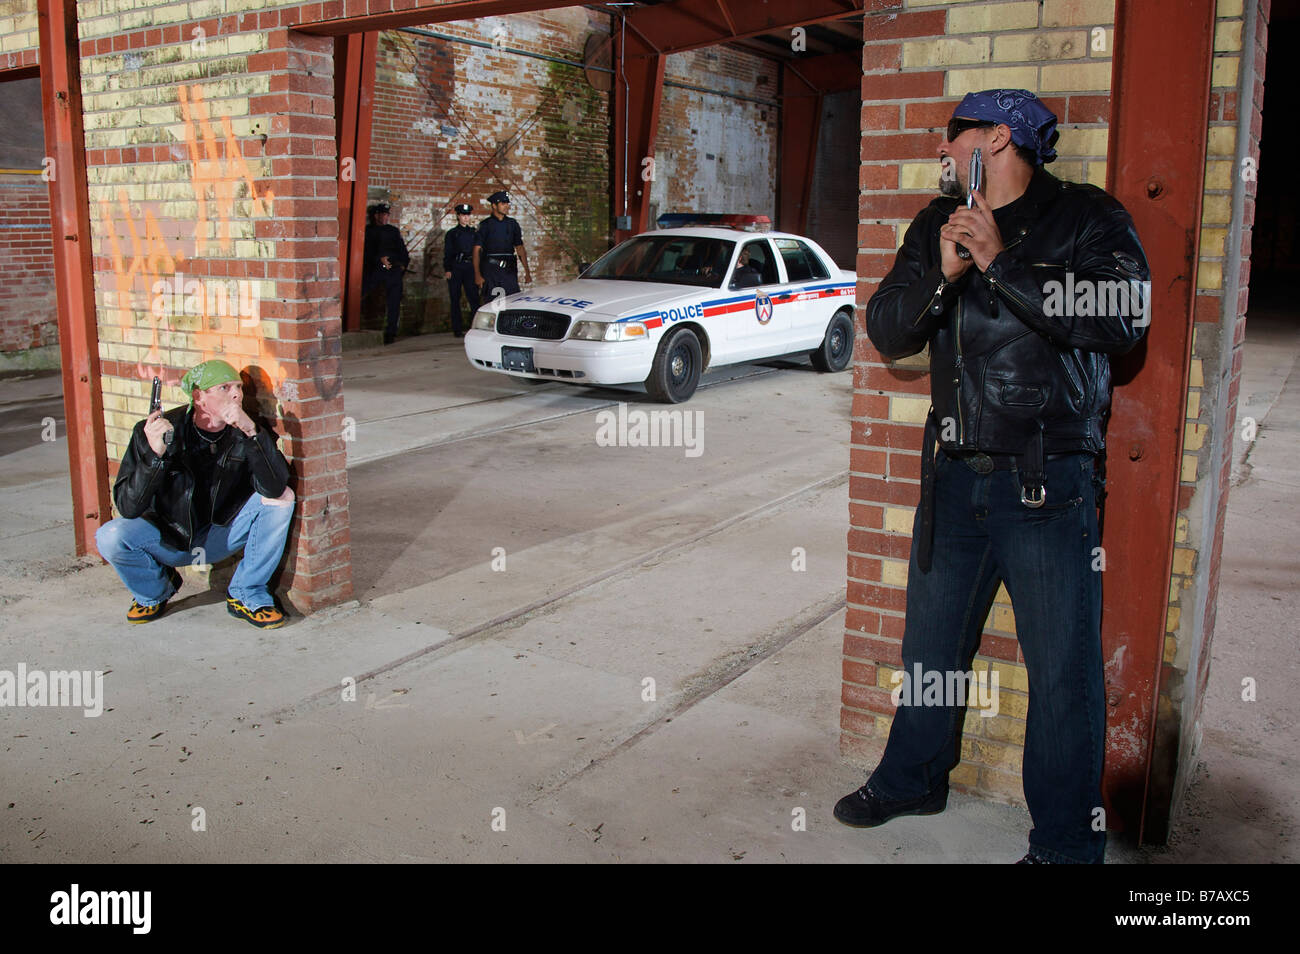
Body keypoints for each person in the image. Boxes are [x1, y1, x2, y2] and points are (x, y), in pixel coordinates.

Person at [835, 89, 1150, 864]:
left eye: (954, 138)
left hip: (1046, 485)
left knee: (1063, 671)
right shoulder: (931, 226)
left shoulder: (1087, 216)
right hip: (953, 478)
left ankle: (1067, 844)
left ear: (997, 139)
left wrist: (1001, 263)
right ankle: (914, 777)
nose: (941, 153)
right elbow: (885, 330)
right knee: (930, 650)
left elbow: (1124, 318)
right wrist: (943, 272)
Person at [96, 360, 295, 629]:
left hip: (220, 535)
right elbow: (128, 507)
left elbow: (274, 487)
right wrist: (155, 456)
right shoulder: (158, 431)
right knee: (109, 536)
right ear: (199, 396)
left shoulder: (248, 430)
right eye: (224, 387)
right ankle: (153, 592)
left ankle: (247, 592)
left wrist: (251, 433)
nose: (236, 394)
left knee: (282, 498)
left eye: (238, 387)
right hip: (168, 539)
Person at [362, 202, 410, 344]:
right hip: (375, 270)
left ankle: (391, 333)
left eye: (386, 214)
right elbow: (365, 253)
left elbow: (403, 253)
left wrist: (401, 266)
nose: (384, 217)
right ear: (375, 215)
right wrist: (380, 260)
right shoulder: (368, 231)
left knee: (394, 301)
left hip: (393, 271)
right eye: (381, 214)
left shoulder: (393, 231)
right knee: (363, 294)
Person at [473, 190, 532, 301]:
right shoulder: (485, 225)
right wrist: (477, 274)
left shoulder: (512, 224)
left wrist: (527, 272)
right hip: (491, 271)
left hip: (509, 270)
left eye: (507, 203)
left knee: (512, 300)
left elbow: (519, 248)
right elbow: (476, 250)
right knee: (494, 303)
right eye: (503, 204)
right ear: (494, 206)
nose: (506, 206)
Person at [444, 202, 479, 337]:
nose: (466, 217)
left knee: (473, 297)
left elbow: (478, 252)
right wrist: (448, 268)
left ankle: (474, 327)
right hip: (456, 267)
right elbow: (448, 252)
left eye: (467, 215)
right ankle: (457, 328)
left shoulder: (474, 233)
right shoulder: (452, 234)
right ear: (458, 216)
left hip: (470, 267)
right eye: (463, 215)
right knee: (455, 298)